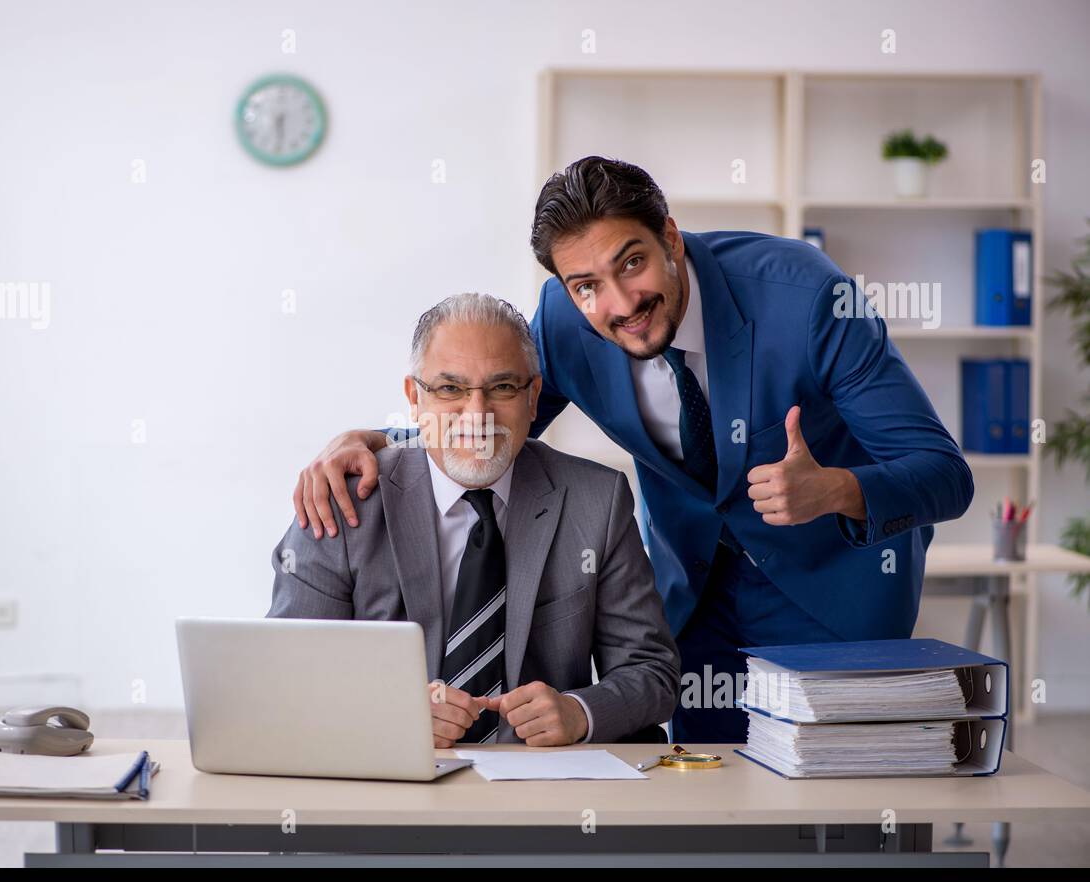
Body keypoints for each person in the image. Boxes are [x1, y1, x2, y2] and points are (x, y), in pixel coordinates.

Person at [289, 157, 973, 744]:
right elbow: (493, 418)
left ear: (670, 237)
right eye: (586, 284)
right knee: (719, 809)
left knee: (846, 811)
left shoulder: (807, 298)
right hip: (697, 598)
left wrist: (837, 489)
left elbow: (944, 474)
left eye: (633, 263)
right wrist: (379, 441)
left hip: (833, 592)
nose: (618, 303)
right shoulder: (564, 321)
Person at [269, 292, 680, 747]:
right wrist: (387, 712)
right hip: (387, 786)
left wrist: (580, 712)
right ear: (414, 398)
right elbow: (286, 674)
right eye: (450, 389)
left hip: (543, 790)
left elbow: (651, 671)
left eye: (502, 388)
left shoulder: (596, 501)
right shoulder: (344, 501)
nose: (477, 414)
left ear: (532, 397)